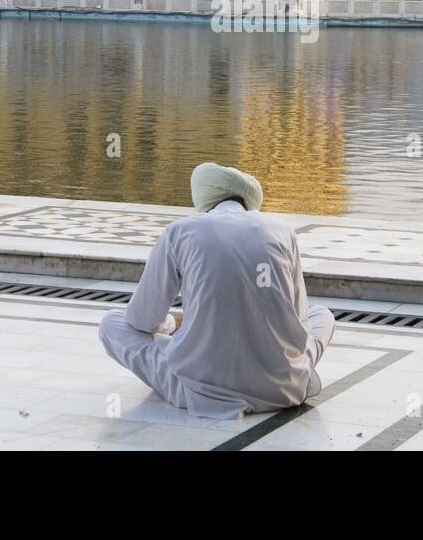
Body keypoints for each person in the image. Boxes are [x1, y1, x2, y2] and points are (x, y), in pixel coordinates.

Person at [98, 162, 335, 419]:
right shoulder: (282, 231)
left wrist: (169, 325)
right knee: (322, 315)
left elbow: (141, 320)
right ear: (248, 200)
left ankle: (190, 348)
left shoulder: (180, 231)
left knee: (111, 323)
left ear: (203, 198)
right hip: (281, 387)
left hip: (200, 388)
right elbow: (299, 322)